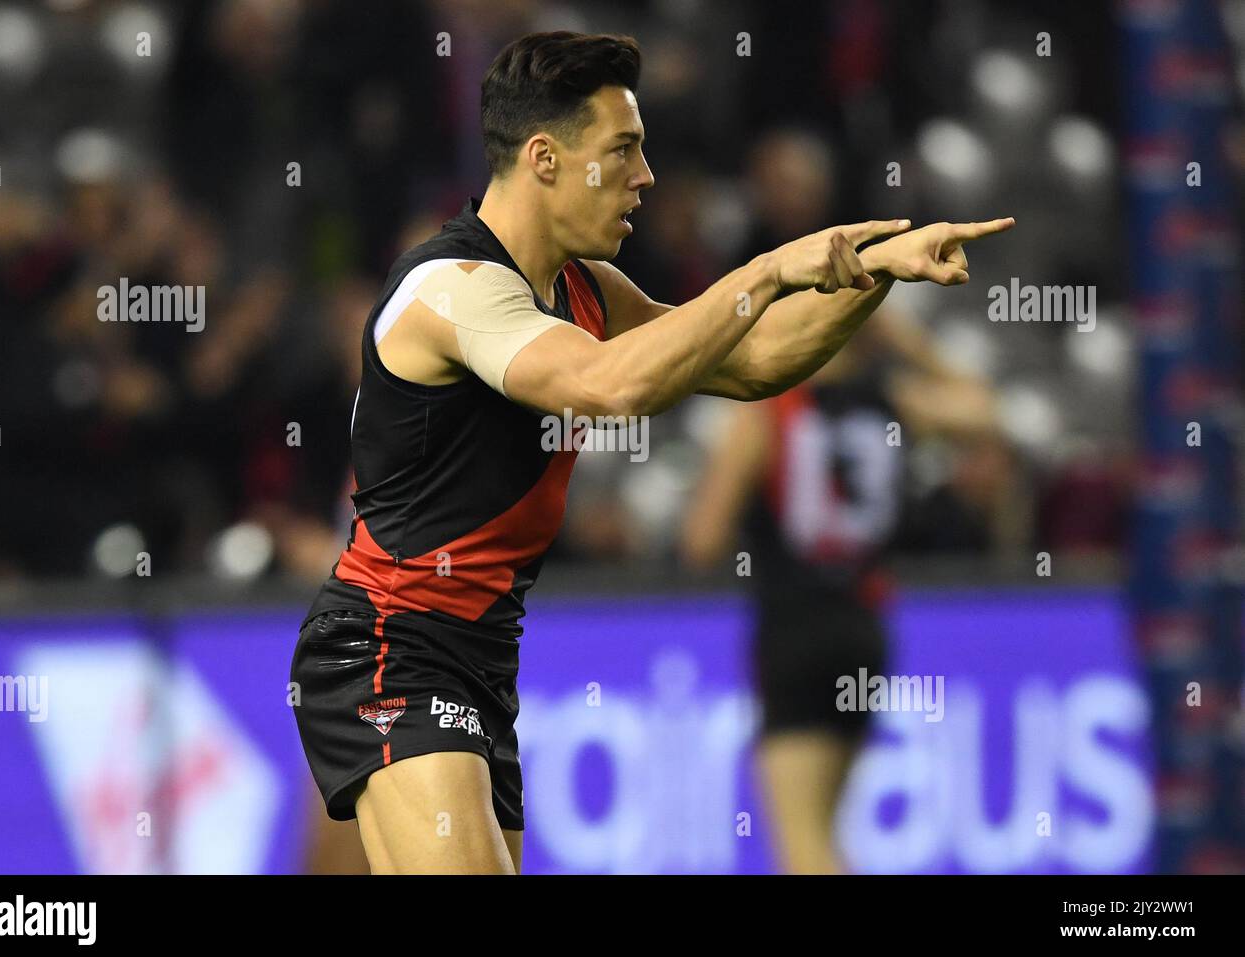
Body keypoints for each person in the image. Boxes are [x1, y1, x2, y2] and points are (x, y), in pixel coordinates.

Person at [290, 30, 1014, 874]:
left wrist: (870, 273)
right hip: (391, 643)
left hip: (479, 658)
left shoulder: (584, 288)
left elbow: (752, 363)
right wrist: (773, 268)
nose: (646, 177)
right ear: (544, 159)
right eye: (623, 150)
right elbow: (610, 386)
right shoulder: (452, 289)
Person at [679, 311, 999, 874]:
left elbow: (702, 540)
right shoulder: (892, 401)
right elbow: (984, 411)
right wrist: (910, 341)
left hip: (794, 631)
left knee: (802, 846)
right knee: (825, 835)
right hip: (863, 628)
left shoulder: (770, 408)